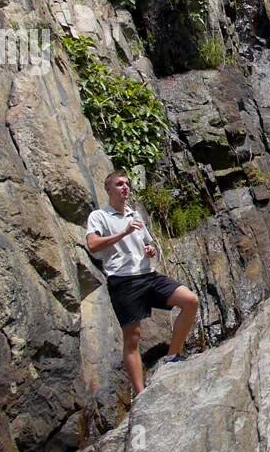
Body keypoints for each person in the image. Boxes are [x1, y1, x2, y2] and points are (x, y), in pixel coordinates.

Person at [85, 170, 199, 396]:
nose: (125, 187)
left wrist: (151, 249)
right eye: (119, 184)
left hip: (148, 274)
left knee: (190, 300)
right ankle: (140, 394)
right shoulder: (99, 216)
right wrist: (123, 233)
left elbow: (149, 244)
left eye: (127, 184)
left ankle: (172, 358)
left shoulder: (134, 215)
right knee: (133, 337)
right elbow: (93, 245)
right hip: (123, 280)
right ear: (108, 189)